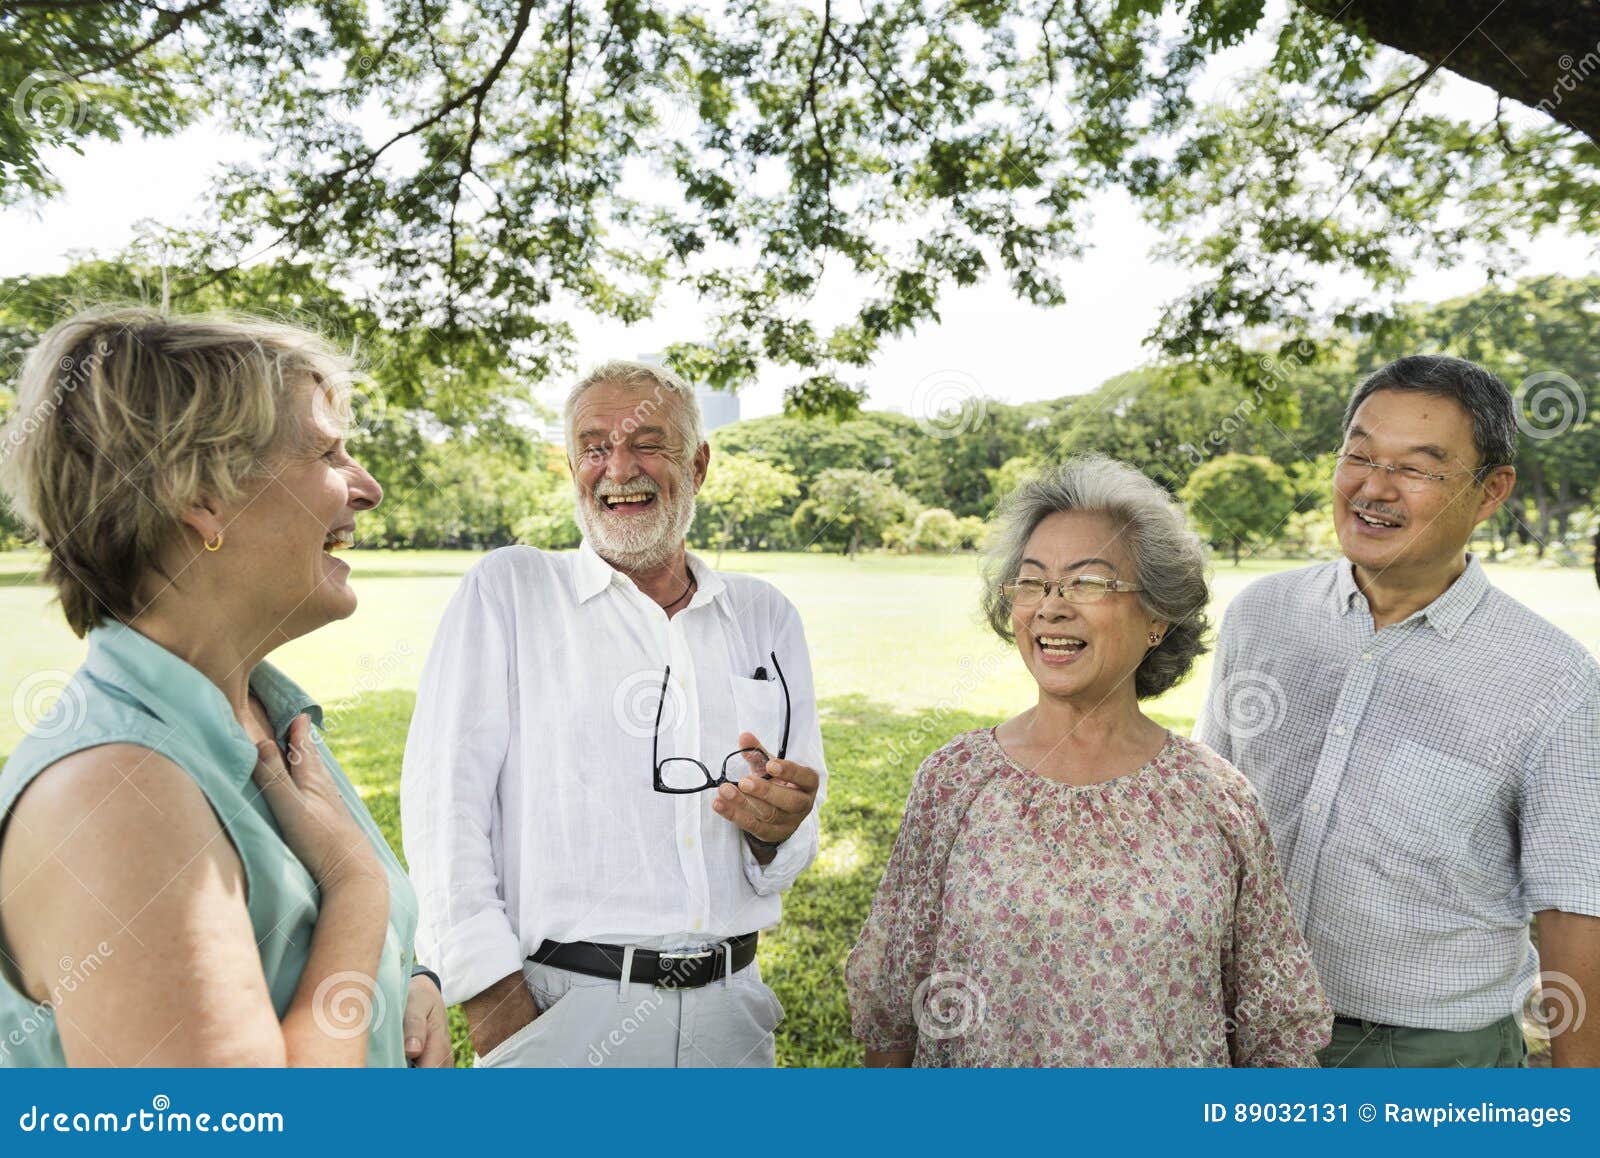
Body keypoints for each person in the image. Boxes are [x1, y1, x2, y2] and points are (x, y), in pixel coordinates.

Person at [0, 308, 449, 1067]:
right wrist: (357, 890)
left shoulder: (263, 716)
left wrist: (407, 979)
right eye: (328, 453)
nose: (366, 488)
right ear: (200, 494)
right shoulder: (114, 796)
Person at [401, 359, 827, 1068]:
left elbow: (795, 834)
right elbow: (443, 807)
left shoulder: (765, 616)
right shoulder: (511, 590)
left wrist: (774, 836)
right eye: (594, 447)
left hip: (735, 1016)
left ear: (698, 464)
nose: (617, 467)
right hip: (561, 1013)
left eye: (648, 444)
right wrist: (495, 1003)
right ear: (573, 466)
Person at [846, 455, 1330, 1066]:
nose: (1051, 606)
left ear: (1156, 615)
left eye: (1089, 582)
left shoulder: (1217, 796)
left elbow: (1275, 1026)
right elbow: (891, 1003)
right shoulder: (956, 779)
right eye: (1033, 582)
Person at [1197, 355, 1600, 1068]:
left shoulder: (1555, 680)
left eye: (1415, 468)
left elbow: (1576, 912)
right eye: (1358, 456)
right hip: (1238, 1030)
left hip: (1426, 1057)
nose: (1373, 488)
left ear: (1490, 492)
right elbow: (1211, 815)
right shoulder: (1263, 616)